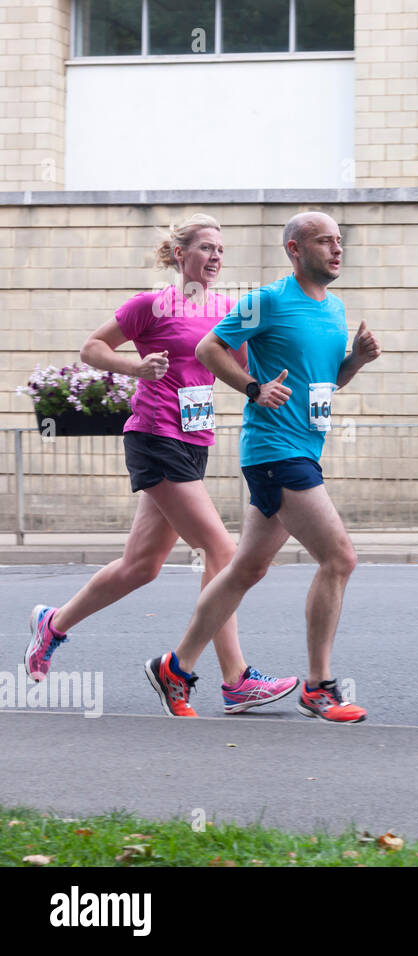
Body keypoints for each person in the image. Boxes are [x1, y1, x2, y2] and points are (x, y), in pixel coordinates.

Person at [24, 214, 299, 714]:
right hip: (155, 438)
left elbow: (239, 366)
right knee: (222, 549)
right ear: (180, 255)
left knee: (140, 567)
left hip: (194, 441)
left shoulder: (226, 311)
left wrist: (273, 383)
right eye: (205, 248)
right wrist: (136, 366)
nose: (215, 257)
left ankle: (53, 623)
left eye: (220, 250)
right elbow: (92, 348)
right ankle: (235, 679)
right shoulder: (151, 306)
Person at [143, 211, 380, 722]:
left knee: (244, 569)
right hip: (275, 452)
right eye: (324, 242)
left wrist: (356, 360)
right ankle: (319, 687)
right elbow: (210, 347)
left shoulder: (335, 308)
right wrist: (253, 388)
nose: (337, 250)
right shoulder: (268, 301)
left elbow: (326, 383)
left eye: (340, 242)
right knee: (339, 559)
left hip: (304, 447)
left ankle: (175, 667)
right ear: (295, 249)